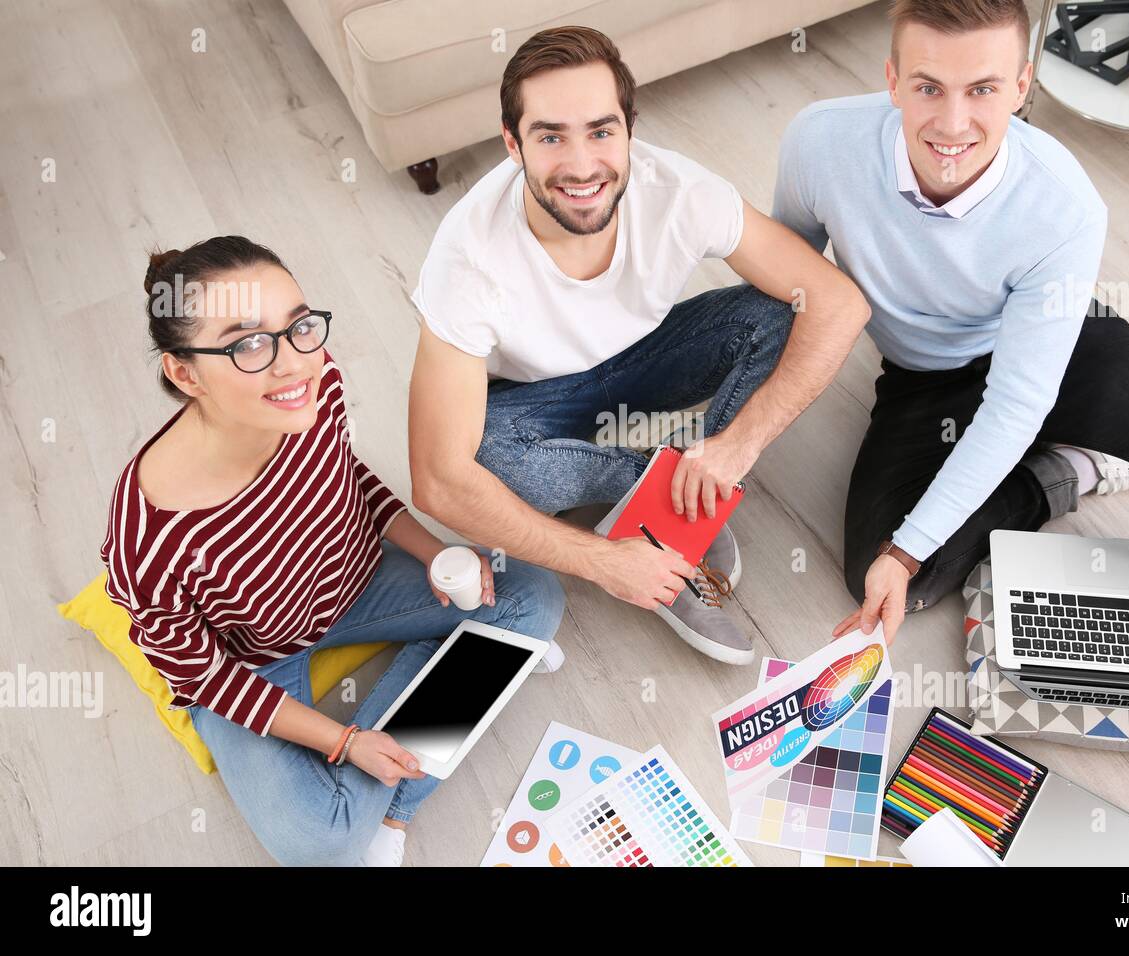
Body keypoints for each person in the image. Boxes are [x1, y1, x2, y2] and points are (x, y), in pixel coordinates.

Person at [767, 0, 1129, 645]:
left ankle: (1100, 443)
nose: (953, 123)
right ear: (892, 80)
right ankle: (1072, 471)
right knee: (881, 569)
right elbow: (782, 285)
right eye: (929, 87)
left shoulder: (1066, 205)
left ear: (1021, 87)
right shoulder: (820, 142)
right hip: (926, 377)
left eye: (983, 89)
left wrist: (905, 550)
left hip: (1068, 348)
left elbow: (1017, 402)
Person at [408, 26, 871, 665]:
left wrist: (737, 445)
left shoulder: (680, 192)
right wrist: (605, 563)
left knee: (783, 310)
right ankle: (659, 499)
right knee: (481, 460)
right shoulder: (468, 260)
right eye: (550, 136)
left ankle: (691, 494)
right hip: (535, 397)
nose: (580, 165)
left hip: (647, 355)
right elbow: (436, 482)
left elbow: (839, 301)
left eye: (601, 131)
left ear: (630, 131)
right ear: (512, 144)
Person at [100, 236, 566, 866]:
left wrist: (430, 551)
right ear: (185, 373)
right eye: (247, 344)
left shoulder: (314, 384)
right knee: (320, 842)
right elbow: (198, 675)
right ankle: (452, 684)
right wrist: (345, 741)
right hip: (250, 662)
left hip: (356, 582)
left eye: (298, 327)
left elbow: (345, 475)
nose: (292, 363)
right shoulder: (148, 533)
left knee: (533, 593)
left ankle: (395, 798)